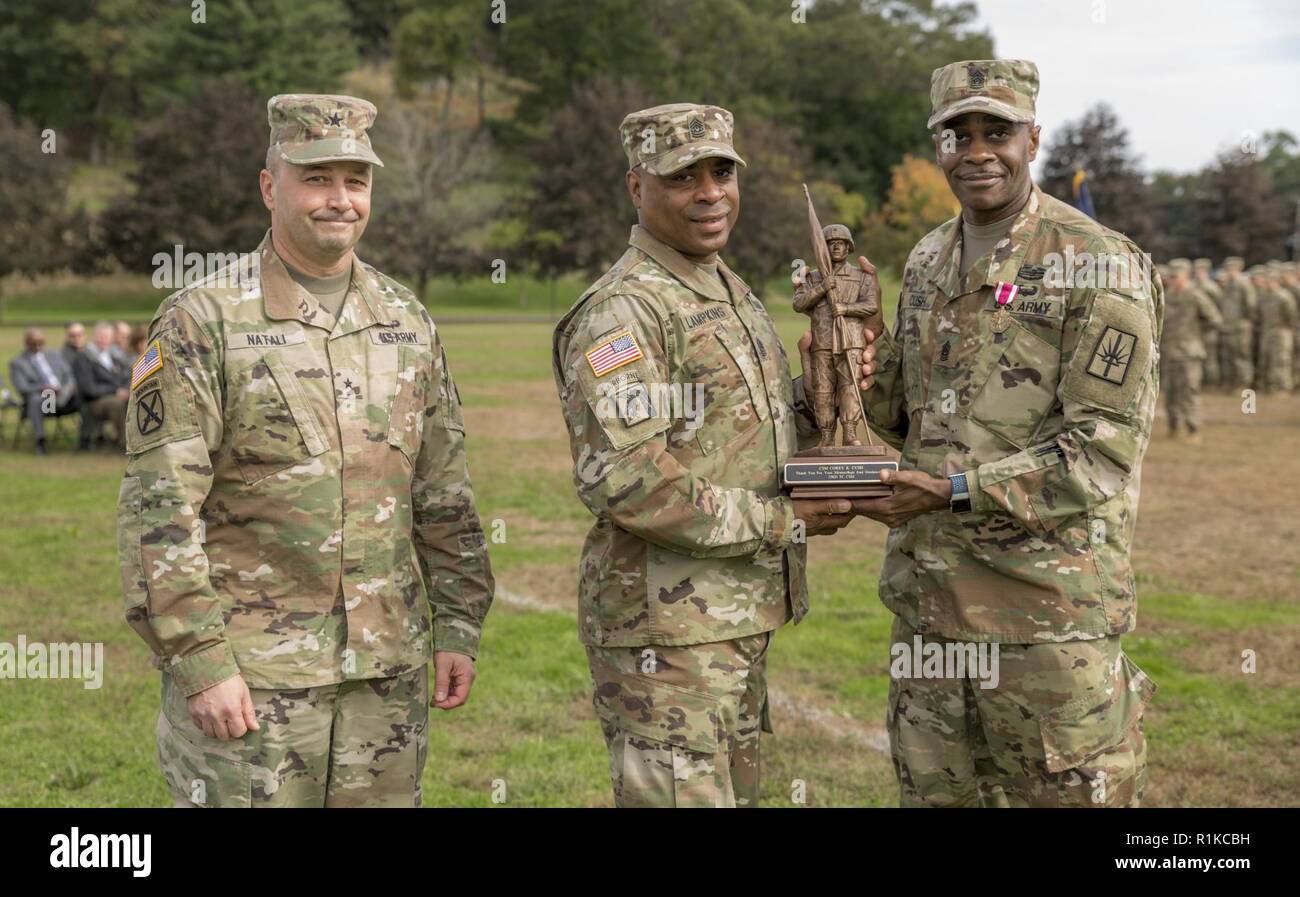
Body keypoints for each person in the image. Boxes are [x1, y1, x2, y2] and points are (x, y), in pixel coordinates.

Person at [115, 93, 495, 807]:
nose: (340, 200)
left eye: (356, 180)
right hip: (255, 685)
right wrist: (199, 659)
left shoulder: (405, 319)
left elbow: (443, 493)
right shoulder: (204, 320)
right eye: (316, 177)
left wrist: (460, 622)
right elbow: (158, 511)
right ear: (270, 186)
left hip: (384, 682)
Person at [855, 59, 1161, 807]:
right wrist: (854, 330)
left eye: (998, 131)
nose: (978, 150)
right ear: (939, 147)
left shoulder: (1096, 264)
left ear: (1034, 137)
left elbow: (1100, 454)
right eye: (958, 134)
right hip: (931, 612)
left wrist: (953, 493)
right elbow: (908, 416)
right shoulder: (929, 257)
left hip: (1043, 621)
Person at [551, 102, 852, 807]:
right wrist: (785, 518)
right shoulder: (624, 311)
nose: (711, 191)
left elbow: (748, 427)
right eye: (684, 176)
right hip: (666, 634)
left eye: (722, 171)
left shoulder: (725, 287)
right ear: (637, 187)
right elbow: (626, 480)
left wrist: (825, 391)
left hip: (729, 621)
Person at [793, 223, 879, 446]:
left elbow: (871, 305)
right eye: (830, 244)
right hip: (822, 342)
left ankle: (850, 433)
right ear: (822, 248)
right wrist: (822, 287)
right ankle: (826, 436)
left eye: (840, 243)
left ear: (849, 247)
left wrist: (846, 309)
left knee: (850, 386)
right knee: (822, 390)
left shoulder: (862, 277)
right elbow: (799, 303)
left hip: (851, 341)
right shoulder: (811, 278)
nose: (835, 248)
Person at [1160, 258, 1222, 440]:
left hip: (1189, 352)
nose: (1171, 280)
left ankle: (1193, 428)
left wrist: (1197, 336)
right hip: (1169, 350)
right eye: (1170, 276)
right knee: (1170, 392)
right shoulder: (1167, 295)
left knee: (1189, 391)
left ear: (1185, 276)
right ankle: (1173, 426)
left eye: (1175, 276)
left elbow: (1214, 319)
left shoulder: (1195, 295)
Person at [9, 327, 80, 455]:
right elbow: (22, 387)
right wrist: (43, 388)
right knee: (36, 400)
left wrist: (69, 386)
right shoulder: (18, 363)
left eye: (40, 343)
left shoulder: (55, 355)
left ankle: (89, 439)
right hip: (46, 401)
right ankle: (40, 441)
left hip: (66, 396)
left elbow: (68, 374)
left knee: (86, 394)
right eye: (34, 343)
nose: (38, 346)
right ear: (27, 343)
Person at [72, 321, 131, 449]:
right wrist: (115, 391)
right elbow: (89, 389)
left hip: (112, 396)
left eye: (108, 337)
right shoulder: (84, 357)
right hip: (91, 402)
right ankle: (125, 444)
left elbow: (123, 376)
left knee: (133, 398)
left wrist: (126, 390)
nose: (105, 340)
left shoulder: (111, 356)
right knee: (117, 403)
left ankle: (139, 441)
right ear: (94, 337)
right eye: (102, 336)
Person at [1254, 264, 1296, 393]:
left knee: (1281, 361)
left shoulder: (1284, 297)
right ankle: (1270, 386)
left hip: (1281, 332)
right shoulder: (1264, 296)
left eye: (1269, 282)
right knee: (1266, 359)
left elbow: (1291, 317)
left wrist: (1287, 330)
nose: (1266, 284)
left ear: (1276, 282)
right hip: (1267, 331)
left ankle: (1283, 388)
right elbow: (1259, 314)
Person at [1215, 256, 1256, 390]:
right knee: (1229, 357)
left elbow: (1251, 305)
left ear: (1239, 269)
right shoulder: (1227, 285)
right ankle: (1231, 383)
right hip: (1228, 326)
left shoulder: (1244, 284)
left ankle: (1244, 384)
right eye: (1228, 269)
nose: (1229, 271)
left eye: (1232, 269)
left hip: (1240, 327)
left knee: (1241, 356)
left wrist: (1245, 321)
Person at [1192, 258, 1223, 389]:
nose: (1198, 273)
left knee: (1210, 358)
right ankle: (1200, 382)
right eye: (1196, 270)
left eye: (1201, 270)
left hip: (1209, 328)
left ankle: (1212, 383)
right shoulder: (1193, 286)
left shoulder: (1212, 288)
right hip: (1195, 329)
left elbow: (1219, 306)